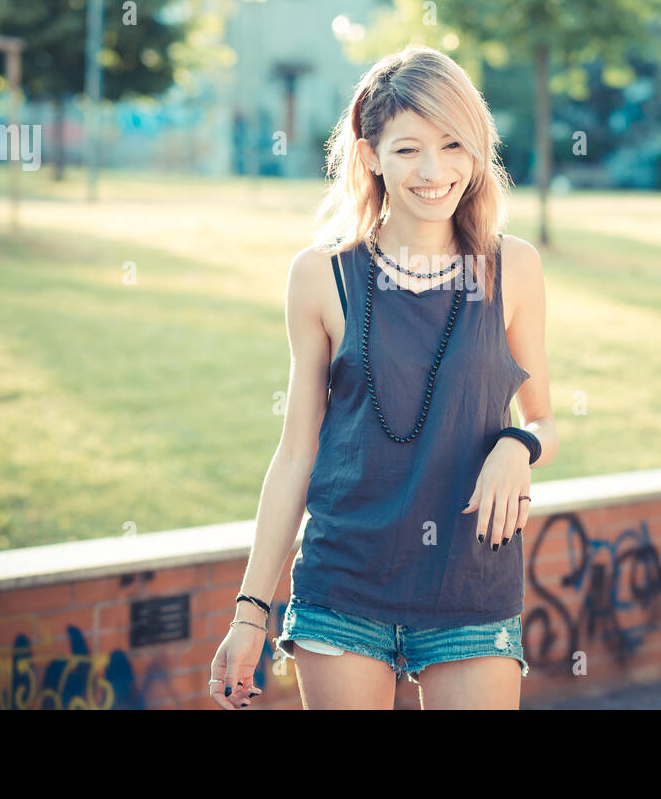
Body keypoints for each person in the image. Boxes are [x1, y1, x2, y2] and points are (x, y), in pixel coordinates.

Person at [208, 45, 558, 710]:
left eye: (455, 144)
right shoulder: (320, 274)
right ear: (369, 154)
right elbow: (295, 455)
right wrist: (250, 612)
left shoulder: (515, 267)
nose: (435, 171)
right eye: (407, 150)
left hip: (471, 591)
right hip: (344, 591)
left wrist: (519, 445)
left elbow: (541, 417)